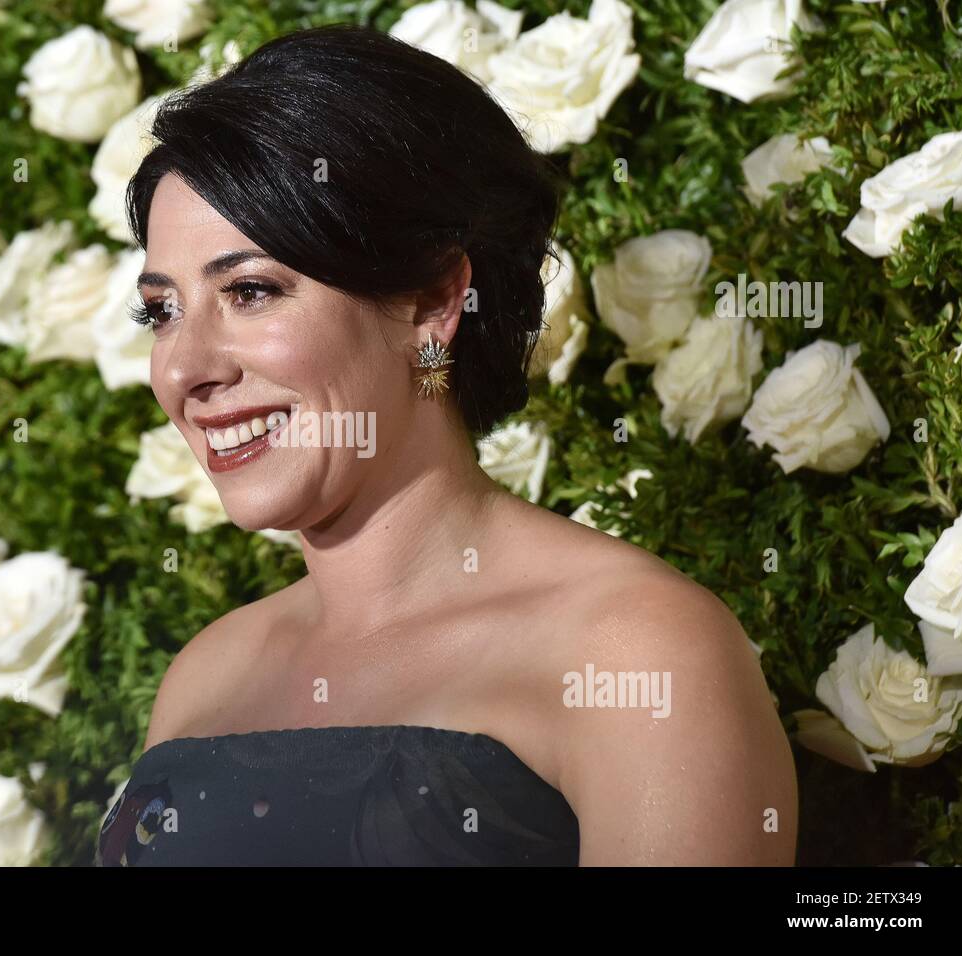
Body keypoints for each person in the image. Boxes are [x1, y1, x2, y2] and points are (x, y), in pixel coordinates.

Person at [96, 23, 797, 866]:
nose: (187, 369)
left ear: (433, 304)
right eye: (161, 310)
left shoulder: (635, 649)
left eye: (249, 291)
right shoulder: (206, 676)